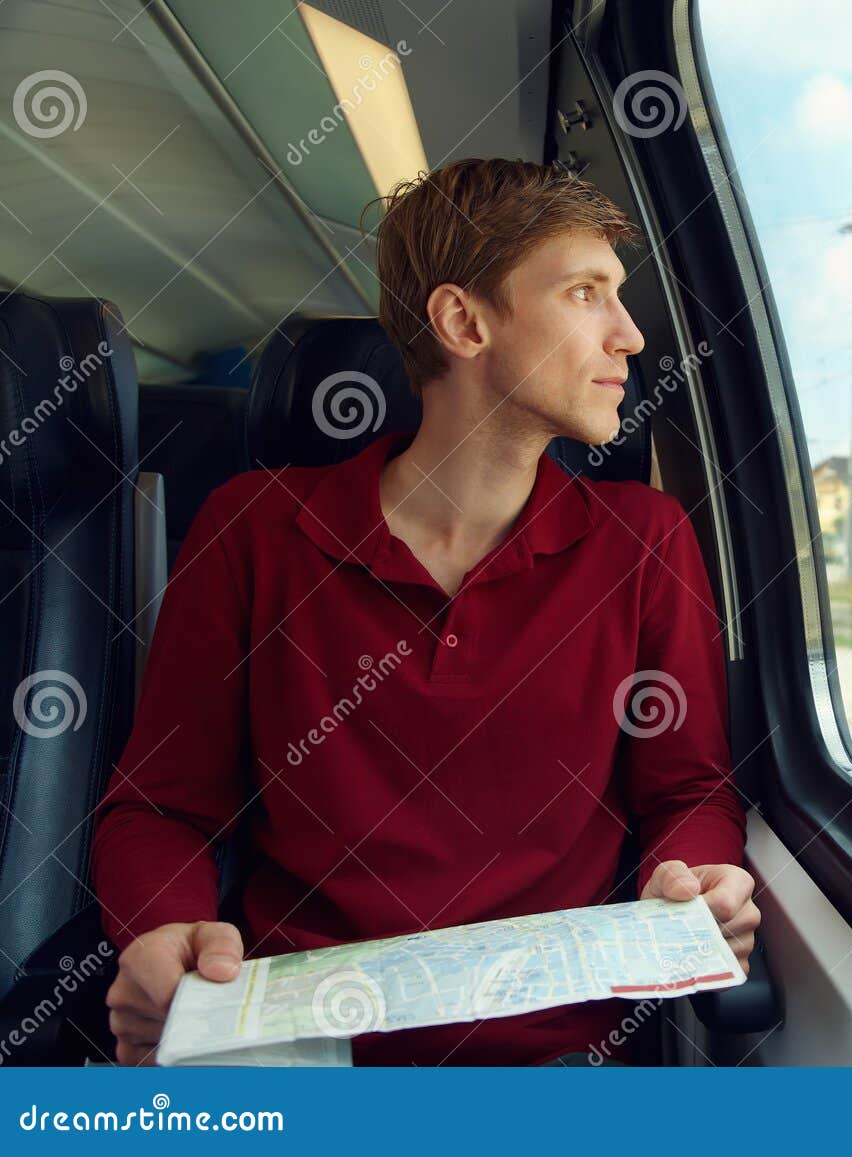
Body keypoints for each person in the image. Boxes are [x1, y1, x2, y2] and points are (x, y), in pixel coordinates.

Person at [90, 158, 757, 1066]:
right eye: (586, 293)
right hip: (301, 1044)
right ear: (464, 323)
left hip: (551, 1064)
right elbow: (161, 805)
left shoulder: (645, 538)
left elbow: (688, 790)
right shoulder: (252, 529)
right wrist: (164, 927)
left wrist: (698, 873)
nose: (631, 336)